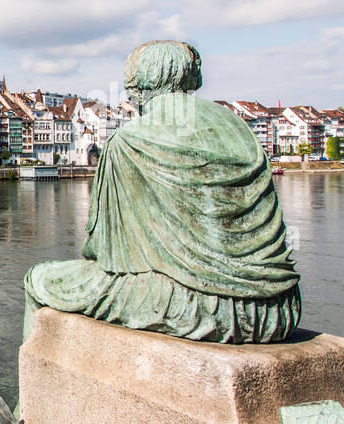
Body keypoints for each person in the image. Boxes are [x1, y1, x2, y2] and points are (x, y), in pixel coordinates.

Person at [23, 41, 299, 344]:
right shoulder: (239, 127)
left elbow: (102, 253)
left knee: (39, 279)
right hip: (277, 309)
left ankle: (34, 392)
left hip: (201, 308)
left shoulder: (128, 141)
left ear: (139, 88)